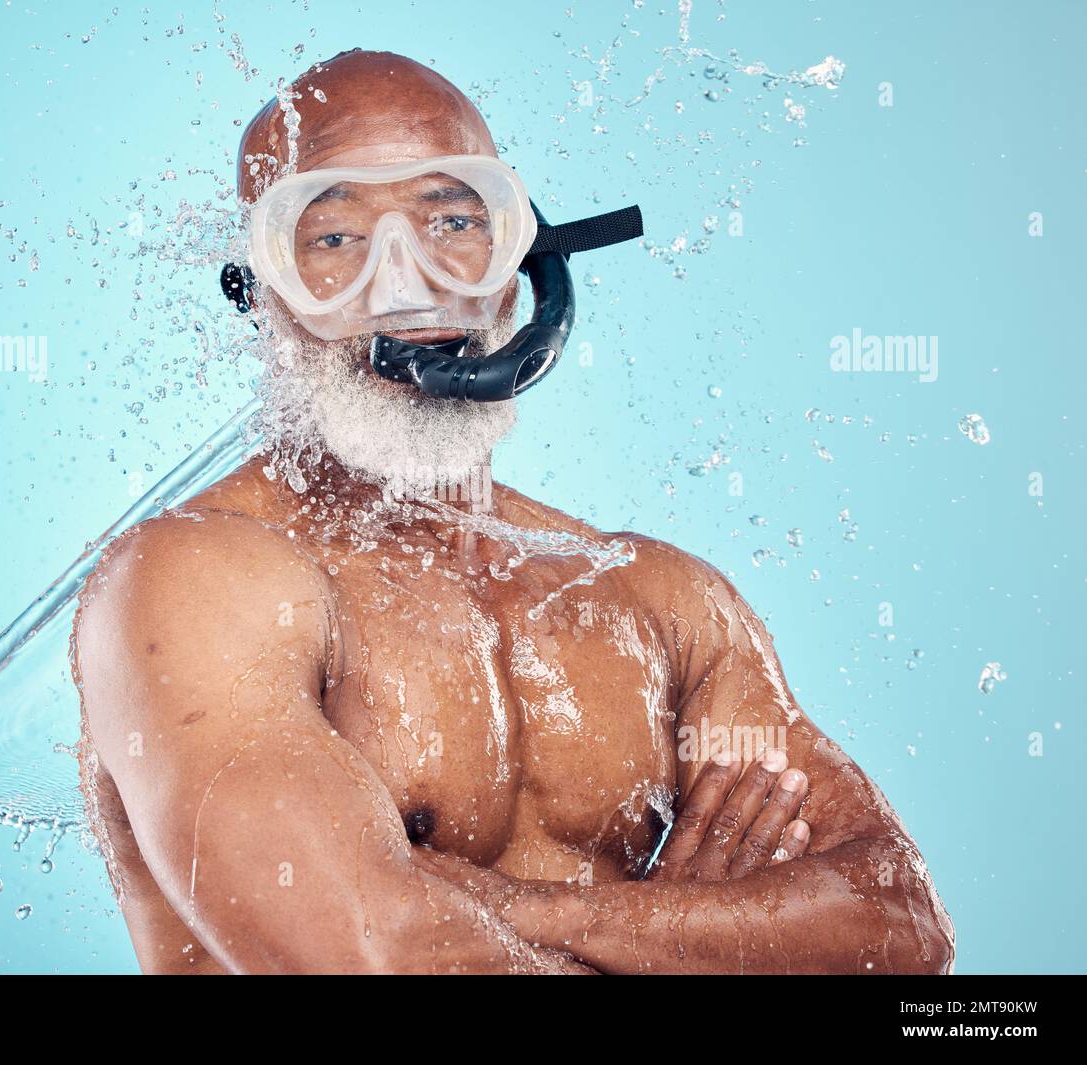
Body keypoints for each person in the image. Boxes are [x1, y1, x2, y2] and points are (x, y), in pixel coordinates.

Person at [72, 49, 953, 974]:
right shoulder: (191, 583)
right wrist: (698, 934)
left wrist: (519, 908)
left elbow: (897, 926)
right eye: (333, 241)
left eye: (452, 221)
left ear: (522, 256)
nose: (406, 284)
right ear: (262, 295)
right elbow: (378, 959)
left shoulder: (658, 599)